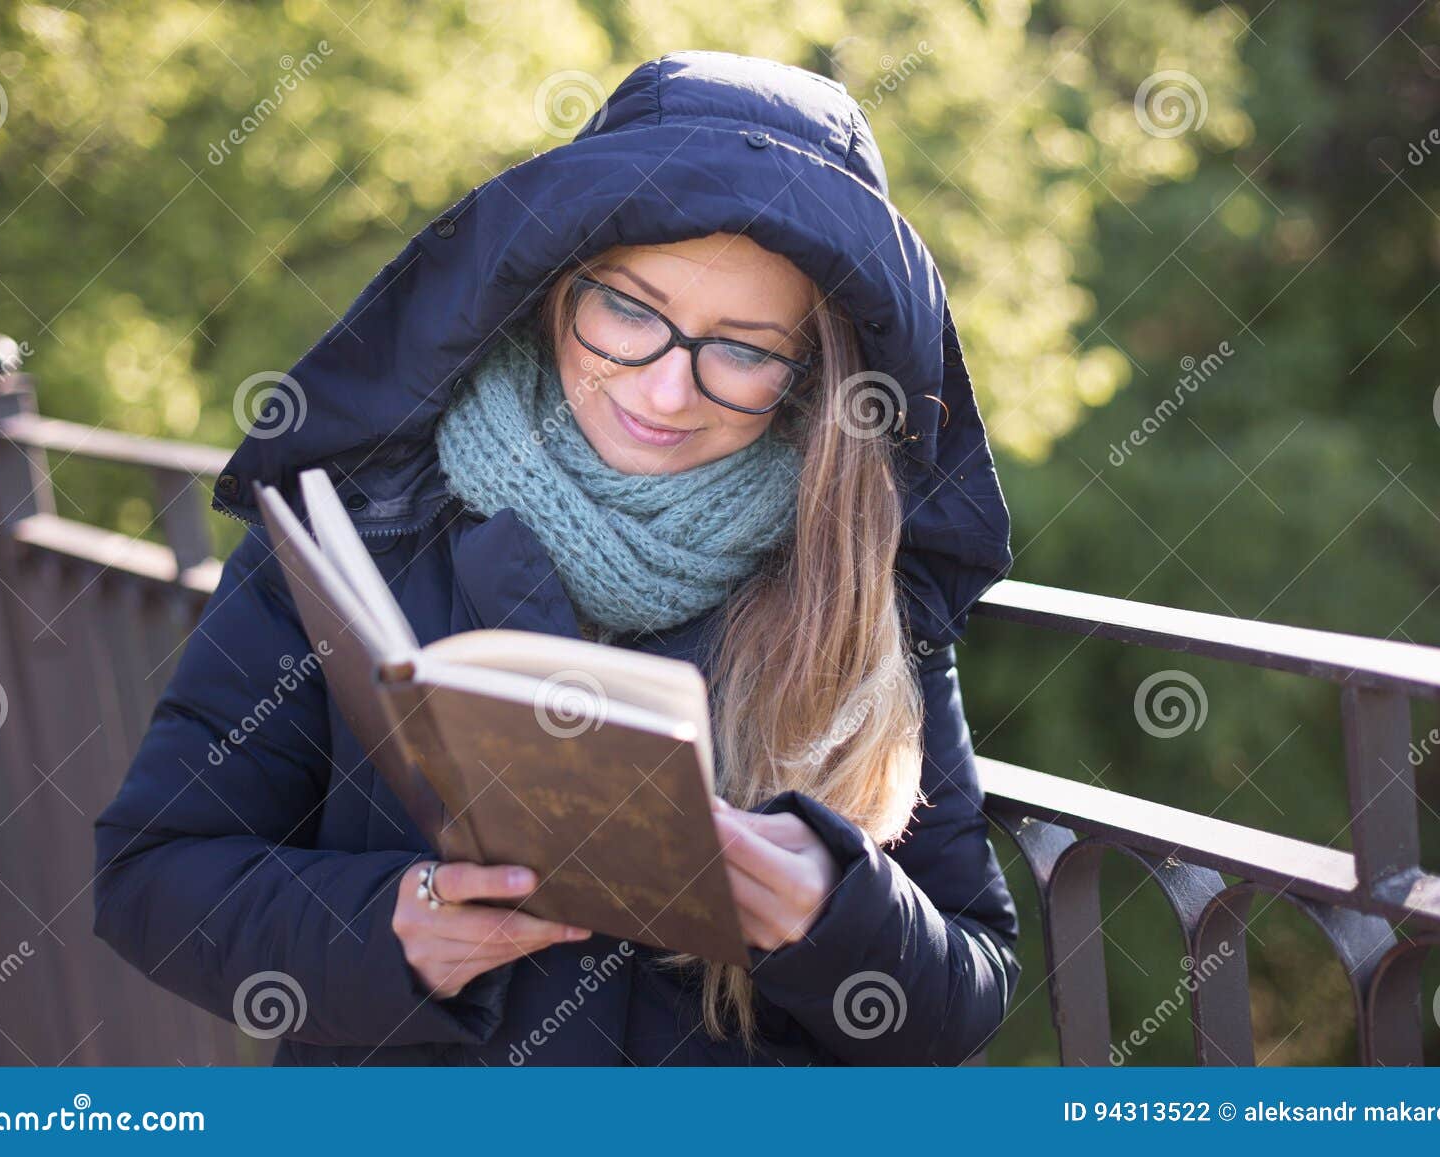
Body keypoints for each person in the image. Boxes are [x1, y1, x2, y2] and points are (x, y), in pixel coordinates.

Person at [93, 49, 1021, 1066]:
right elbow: (153, 878)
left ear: (808, 373)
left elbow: (965, 990)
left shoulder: (855, 588)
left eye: (744, 348)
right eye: (628, 309)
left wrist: (837, 911)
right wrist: (394, 926)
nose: (666, 392)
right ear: (551, 287)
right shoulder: (364, 519)